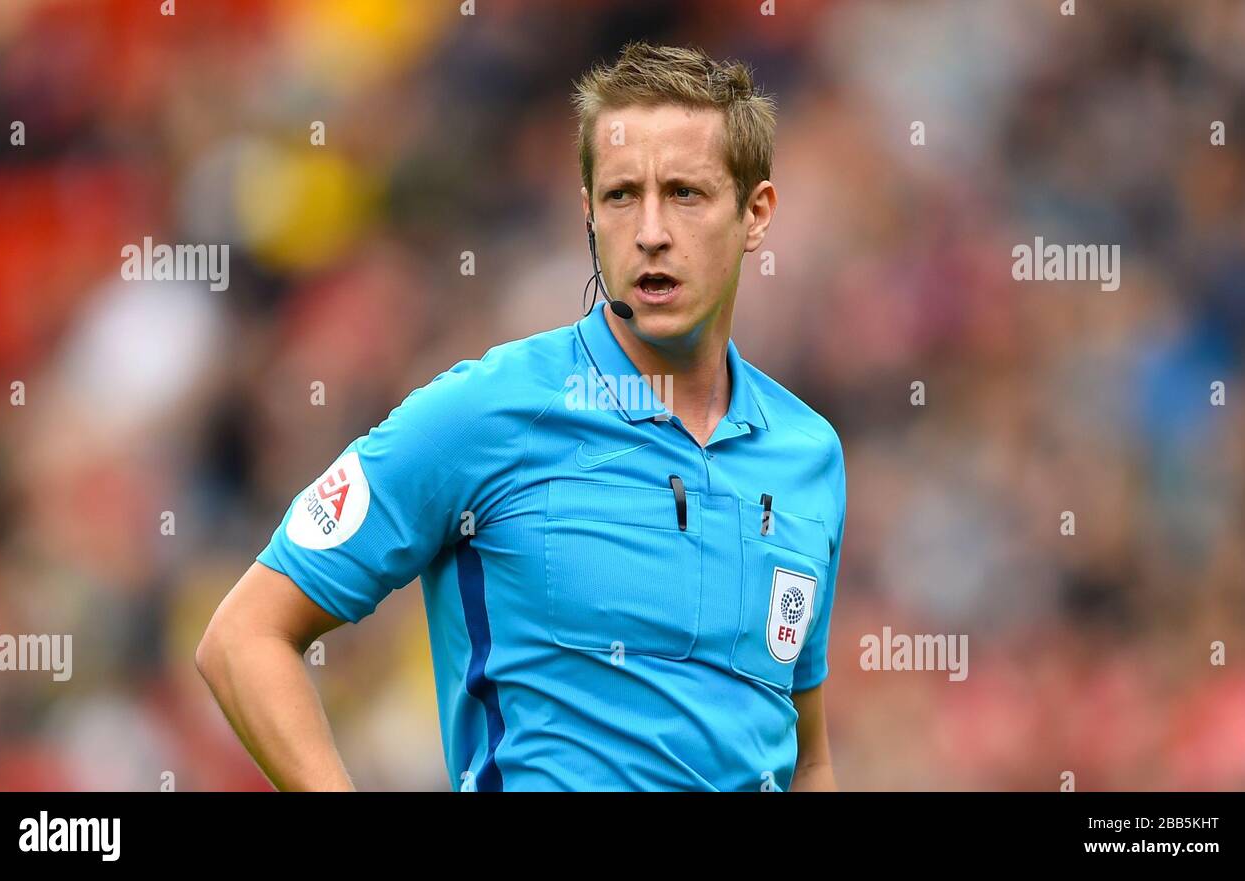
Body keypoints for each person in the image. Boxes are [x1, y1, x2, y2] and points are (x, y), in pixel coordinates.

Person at [197, 40, 846, 792]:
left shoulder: (808, 454)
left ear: (756, 212)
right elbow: (244, 637)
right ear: (588, 213)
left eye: (686, 194)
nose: (651, 232)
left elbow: (807, 757)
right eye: (621, 195)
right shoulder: (487, 412)